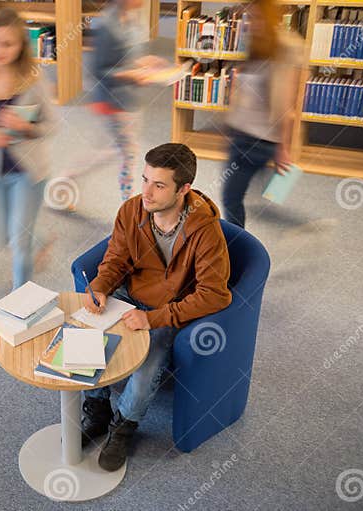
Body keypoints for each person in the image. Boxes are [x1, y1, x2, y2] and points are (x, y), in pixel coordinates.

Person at [81, 143, 232, 472]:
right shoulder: (131, 210)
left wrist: (153, 319)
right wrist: (102, 285)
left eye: (158, 185)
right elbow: (116, 259)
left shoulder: (205, 231)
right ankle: (96, 407)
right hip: (131, 294)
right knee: (91, 336)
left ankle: (123, 425)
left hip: (169, 309)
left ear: (184, 189)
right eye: (145, 179)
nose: (145, 192)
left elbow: (215, 295)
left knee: (148, 364)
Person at [0, 9, 58, 290]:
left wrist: (26, 127)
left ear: (20, 47)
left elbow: (53, 125)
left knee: (19, 241)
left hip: (29, 172)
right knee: (1, 237)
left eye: (7, 44)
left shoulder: (34, 80)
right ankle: (41, 238)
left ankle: (21, 302)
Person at [65, 0, 167, 207]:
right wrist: (131, 75)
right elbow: (100, 72)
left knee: (113, 150)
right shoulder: (106, 26)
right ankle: (128, 205)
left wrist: (146, 62)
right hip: (113, 102)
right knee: (126, 154)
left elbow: (126, 57)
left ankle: (68, 177)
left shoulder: (132, 19)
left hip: (130, 99)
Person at [221, 0, 302, 228]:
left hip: (258, 141)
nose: (252, 24)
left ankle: (238, 250)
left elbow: (285, 105)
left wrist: (283, 147)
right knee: (256, 200)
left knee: (231, 198)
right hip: (240, 135)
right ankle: (299, 229)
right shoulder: (256, 44)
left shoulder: (284, 48)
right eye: (250, 18)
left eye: (257, 18)